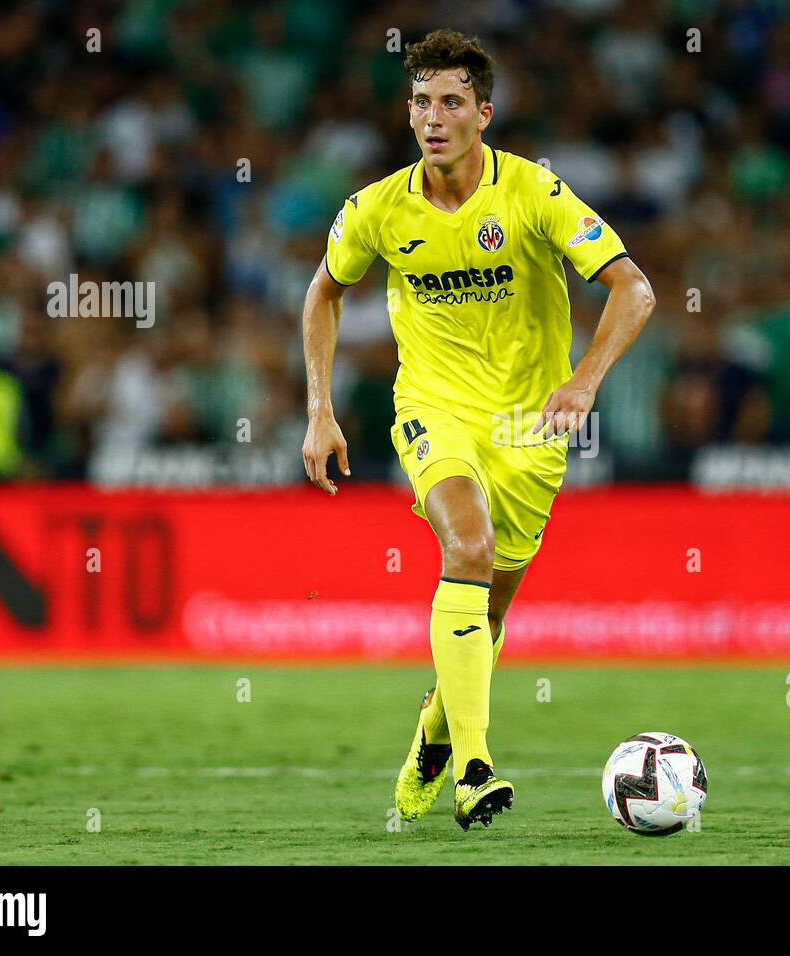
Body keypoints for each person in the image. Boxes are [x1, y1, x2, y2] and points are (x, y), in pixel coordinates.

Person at [299, 29, 655, 829]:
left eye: (451, 101)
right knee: (468, 547)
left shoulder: (535, 193)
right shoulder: (377, 209)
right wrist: (320, 408)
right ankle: (474, 767)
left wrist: (582, 381)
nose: (433, 116)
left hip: (532, 426)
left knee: (488, 613)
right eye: (421, 101)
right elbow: (323, 294)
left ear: (483, 113)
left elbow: (634, 290)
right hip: (435, 409)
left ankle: (434, 730)